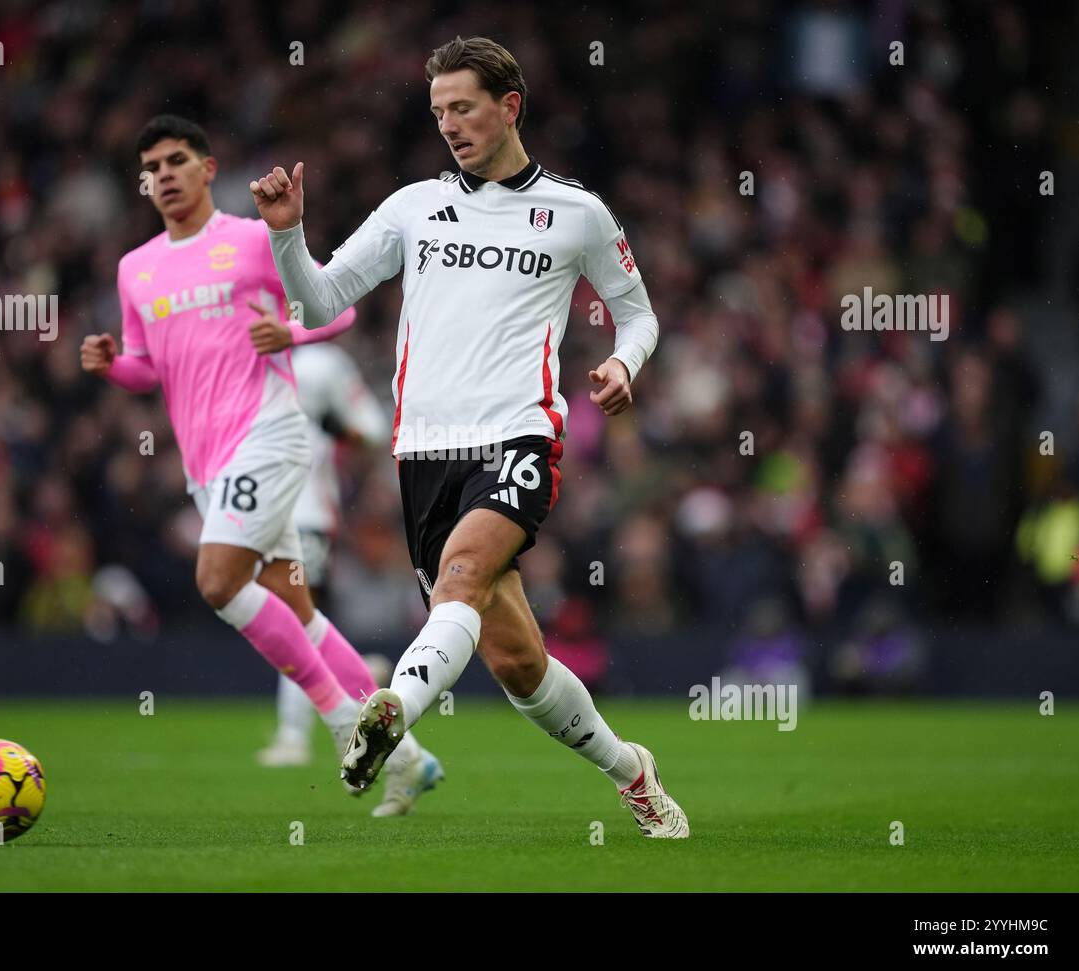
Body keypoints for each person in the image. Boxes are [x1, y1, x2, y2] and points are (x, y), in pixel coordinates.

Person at [250, 38, 688, 837]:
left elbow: (639, 312)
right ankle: (633, 770)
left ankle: (390, 714)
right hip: (422, 455)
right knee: (517, 663)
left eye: (462, 107)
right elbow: (316, 306)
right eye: (438, 112)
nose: (448, 124)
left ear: (509, 105)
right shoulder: (412, 207)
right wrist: (288, 236)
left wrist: (626, 363)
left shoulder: (576, 213)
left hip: (518, 439)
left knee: (459, 580)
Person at [83, 115, 442, 816]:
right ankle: (407, 755)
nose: (165, 174)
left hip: (270, 435)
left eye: (178, 160)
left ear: (208, 168)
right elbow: (145, 368)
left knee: (218, 581)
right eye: (152, 165)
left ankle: (345, 726)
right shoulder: (137, 268)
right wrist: (111, 365)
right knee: (294, 608)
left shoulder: (251, 241)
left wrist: (293, 329)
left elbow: (333, 311)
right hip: (207, 463)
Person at [250, 329, 392, 771]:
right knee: (276, 615)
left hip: (304, 513)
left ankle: (293, 736)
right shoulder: (242, 353)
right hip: (253, 513)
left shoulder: (323, 363)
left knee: (291, 617)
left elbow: (373, 428)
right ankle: (354, 671)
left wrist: (337, 426)